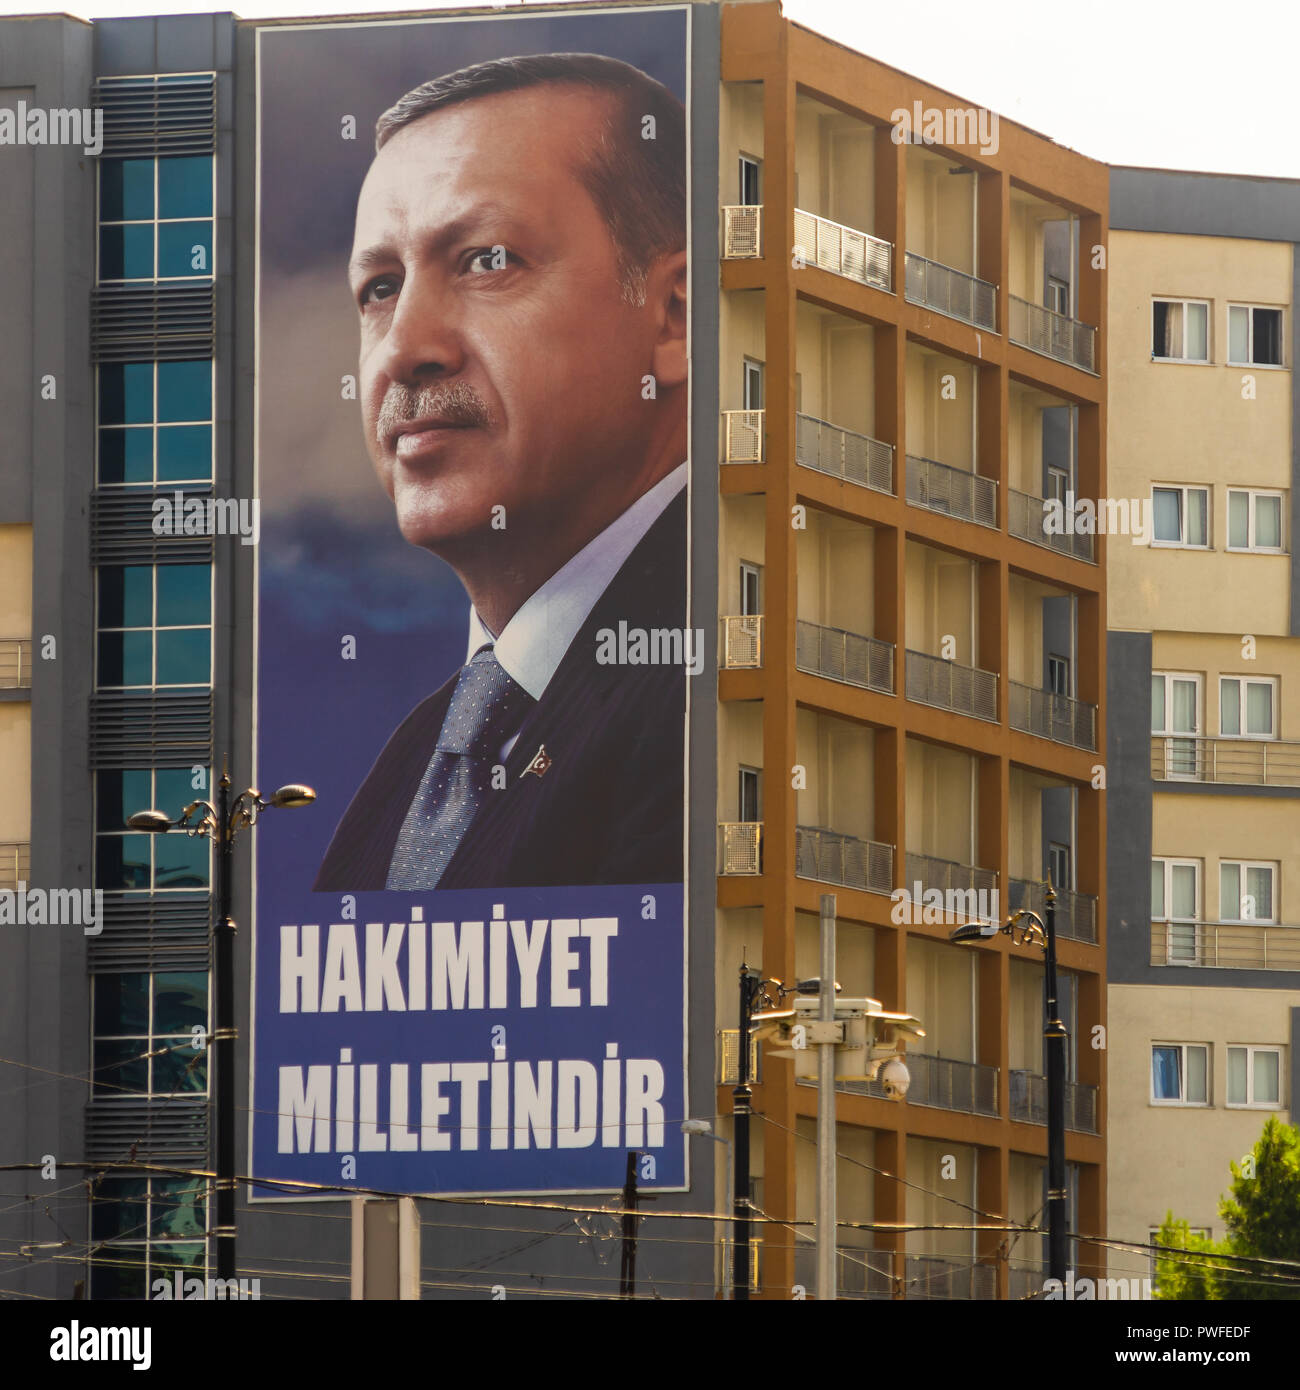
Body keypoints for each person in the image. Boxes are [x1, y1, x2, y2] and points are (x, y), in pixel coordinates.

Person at [314, 53, 690, 892]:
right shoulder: (419, 756)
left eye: (487, 260)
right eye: (379, 287)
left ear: (676, 317)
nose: (407, 348)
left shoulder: (720, 687)